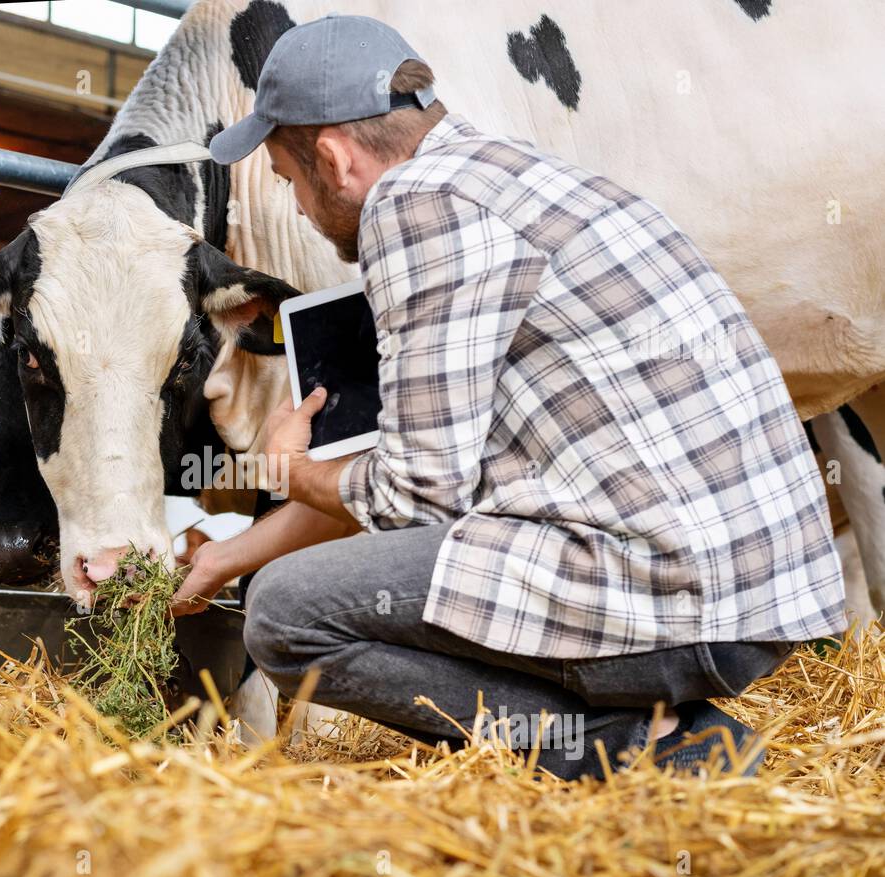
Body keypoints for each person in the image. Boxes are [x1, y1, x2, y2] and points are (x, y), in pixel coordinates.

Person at [170, 14, 845, 779]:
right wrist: (230, 554)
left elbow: (414, 497)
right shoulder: (511, 175)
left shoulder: (414, 207)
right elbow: (398, 475)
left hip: (677, 593)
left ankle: (659, 752)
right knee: (307, 583)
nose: (294, 204)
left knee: (287, 615)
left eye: (288, 179)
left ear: (333, 157)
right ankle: (641, 726)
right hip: (751, 592)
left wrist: (286, 472)